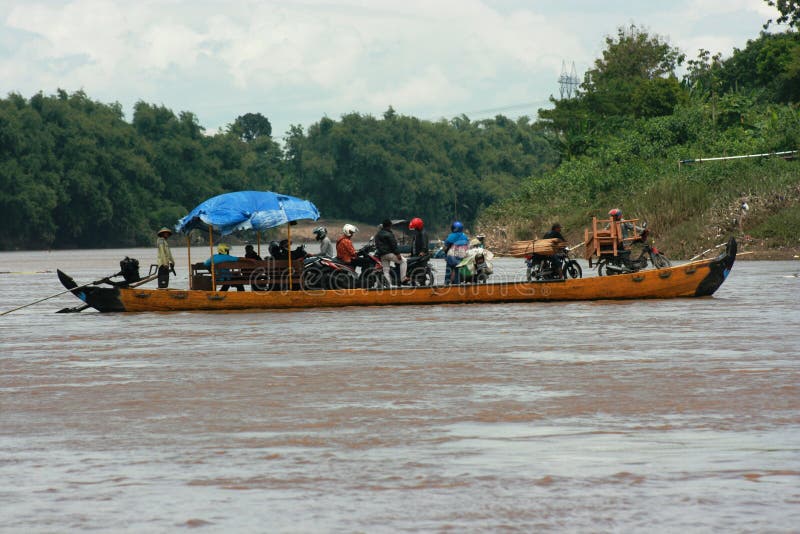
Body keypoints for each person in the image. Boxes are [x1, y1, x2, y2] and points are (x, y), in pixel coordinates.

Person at [374, 219, 408, 286]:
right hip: (389, 254)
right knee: (404, 261)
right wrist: (398, 254)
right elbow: (394, 245)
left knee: (386, 271)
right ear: (390, 225)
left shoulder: (377, 235)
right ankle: (403, 279)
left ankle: (389, 286)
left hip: (382, 255)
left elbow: (377, 245)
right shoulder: (389, 234)